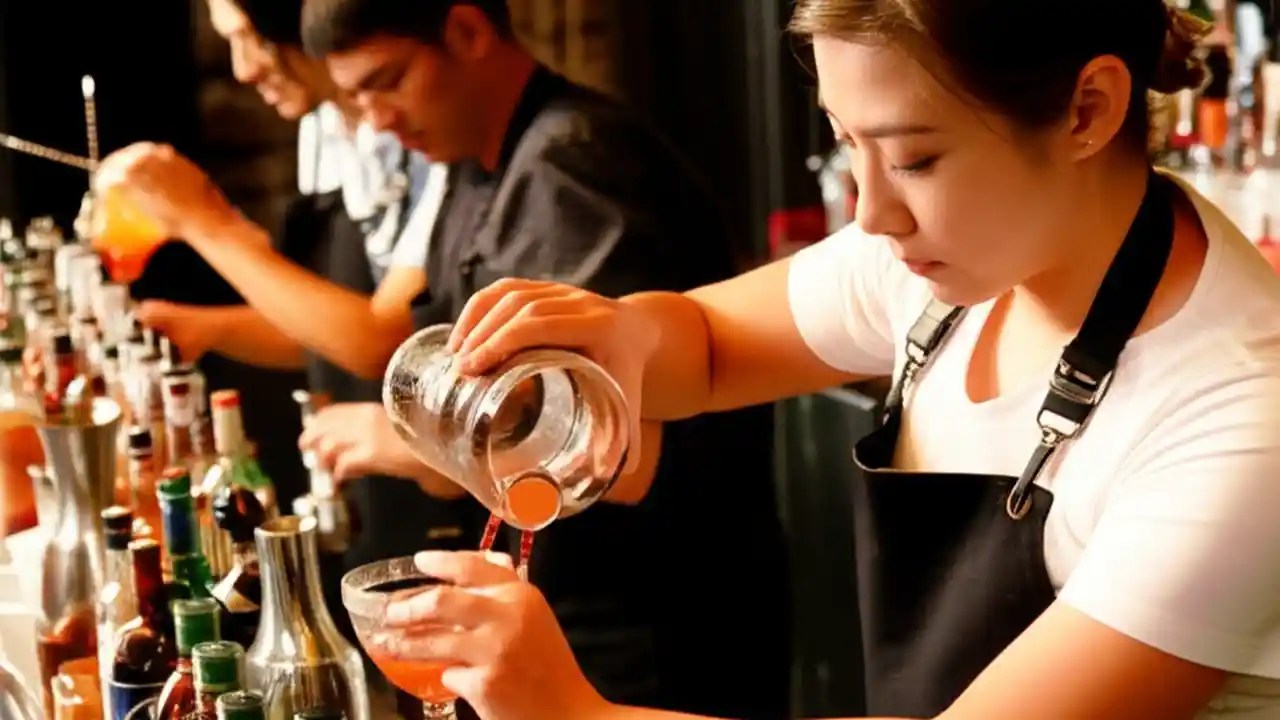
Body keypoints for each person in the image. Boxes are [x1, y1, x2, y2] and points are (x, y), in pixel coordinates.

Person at [363, 1, 1280, 719]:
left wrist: (572, 713)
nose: (871, 214)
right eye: (847, 142)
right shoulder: (960, 261)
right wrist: (623, 332)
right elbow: (709, 346)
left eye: (914, 159)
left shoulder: (1240, 411)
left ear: (1088, 110)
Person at [293, 1, 791, 718]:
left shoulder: (574, 163)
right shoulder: (473, 165)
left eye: (388, 81)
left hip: (655, 631)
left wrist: (410, 443)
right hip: (569, 607)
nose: (377, 120)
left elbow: (633, 451)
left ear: (467, 30)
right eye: (356, 99)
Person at [91, 0, 474, 659]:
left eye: (250, 38)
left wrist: (204, 224)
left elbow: (379, 339)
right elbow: (323, 327)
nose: (243, 70)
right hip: (363, 491)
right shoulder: (325, 129)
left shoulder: (423, 128)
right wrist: (203, 328)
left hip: (444, 489)